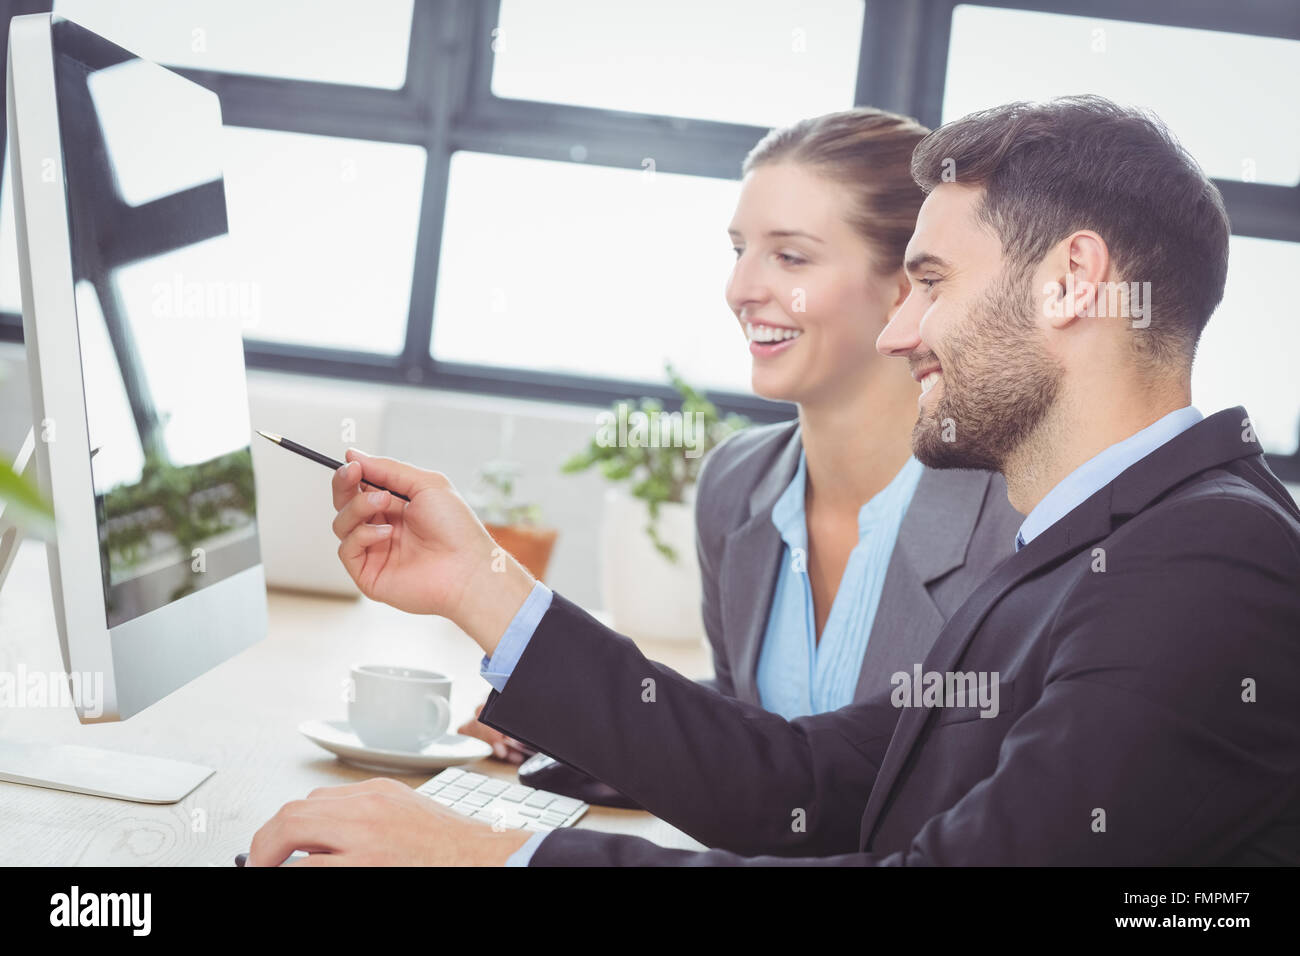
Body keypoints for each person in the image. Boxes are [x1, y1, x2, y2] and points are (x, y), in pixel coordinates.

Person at [248, 95, 1300, 866]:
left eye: (929, 281)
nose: (900, 327)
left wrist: (494, 860)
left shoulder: (1206, 560)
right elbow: (800, 782)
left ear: (1071, 281)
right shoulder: (1090, 541)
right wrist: (478, 580)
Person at [457, 108, 1020, 766]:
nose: (741, 289)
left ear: (904, 288)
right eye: (738, 251)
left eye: (790, 256)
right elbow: (755, 727)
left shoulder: (1011, 519)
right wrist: (578, 727)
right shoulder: (736, 483)